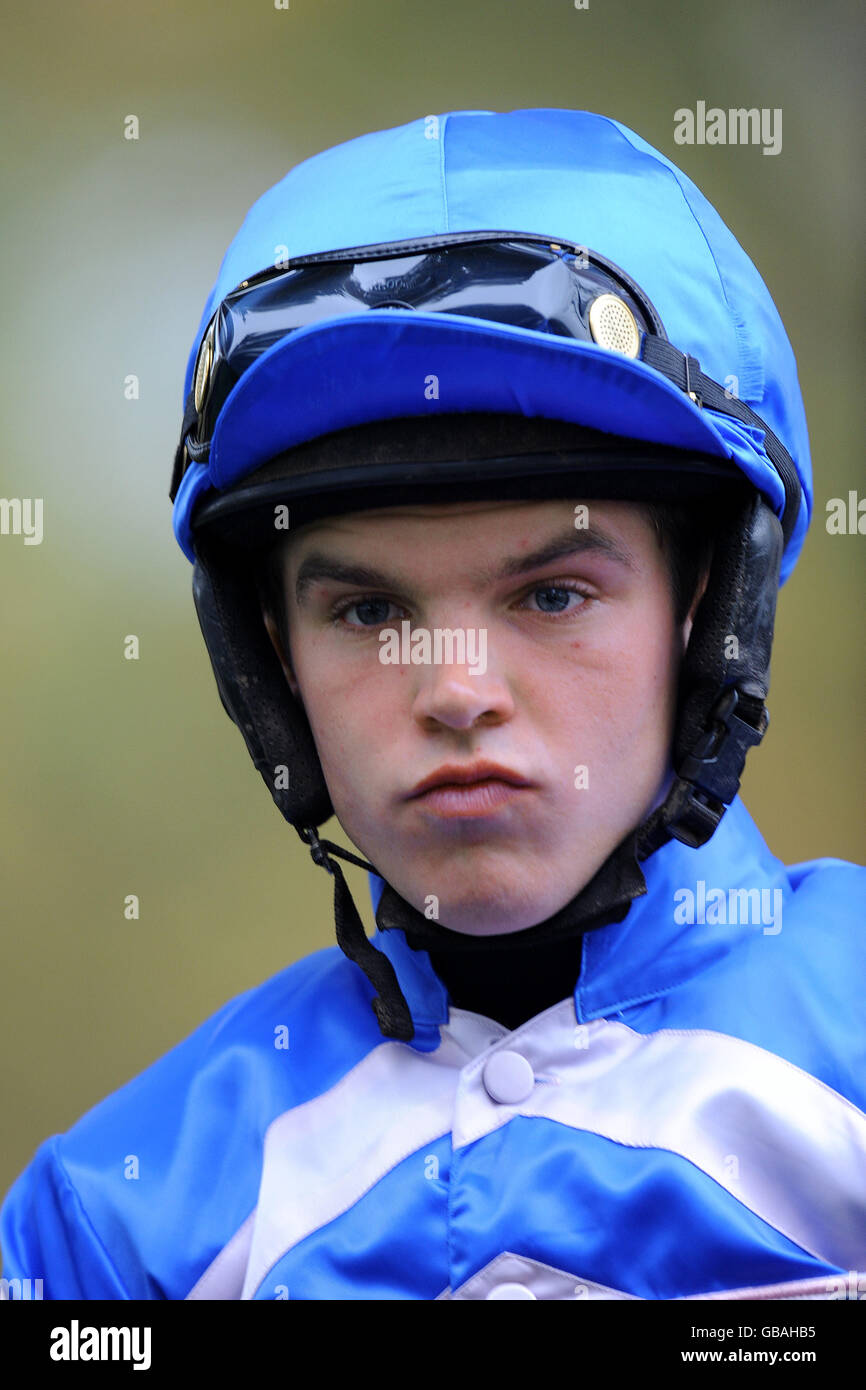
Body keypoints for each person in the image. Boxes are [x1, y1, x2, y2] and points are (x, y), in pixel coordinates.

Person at [2, 107, 864, 1302]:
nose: (457, 690)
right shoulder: (104, 1222)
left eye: (552, 594)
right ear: (270, 660)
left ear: (704, 612)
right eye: (365, 614)